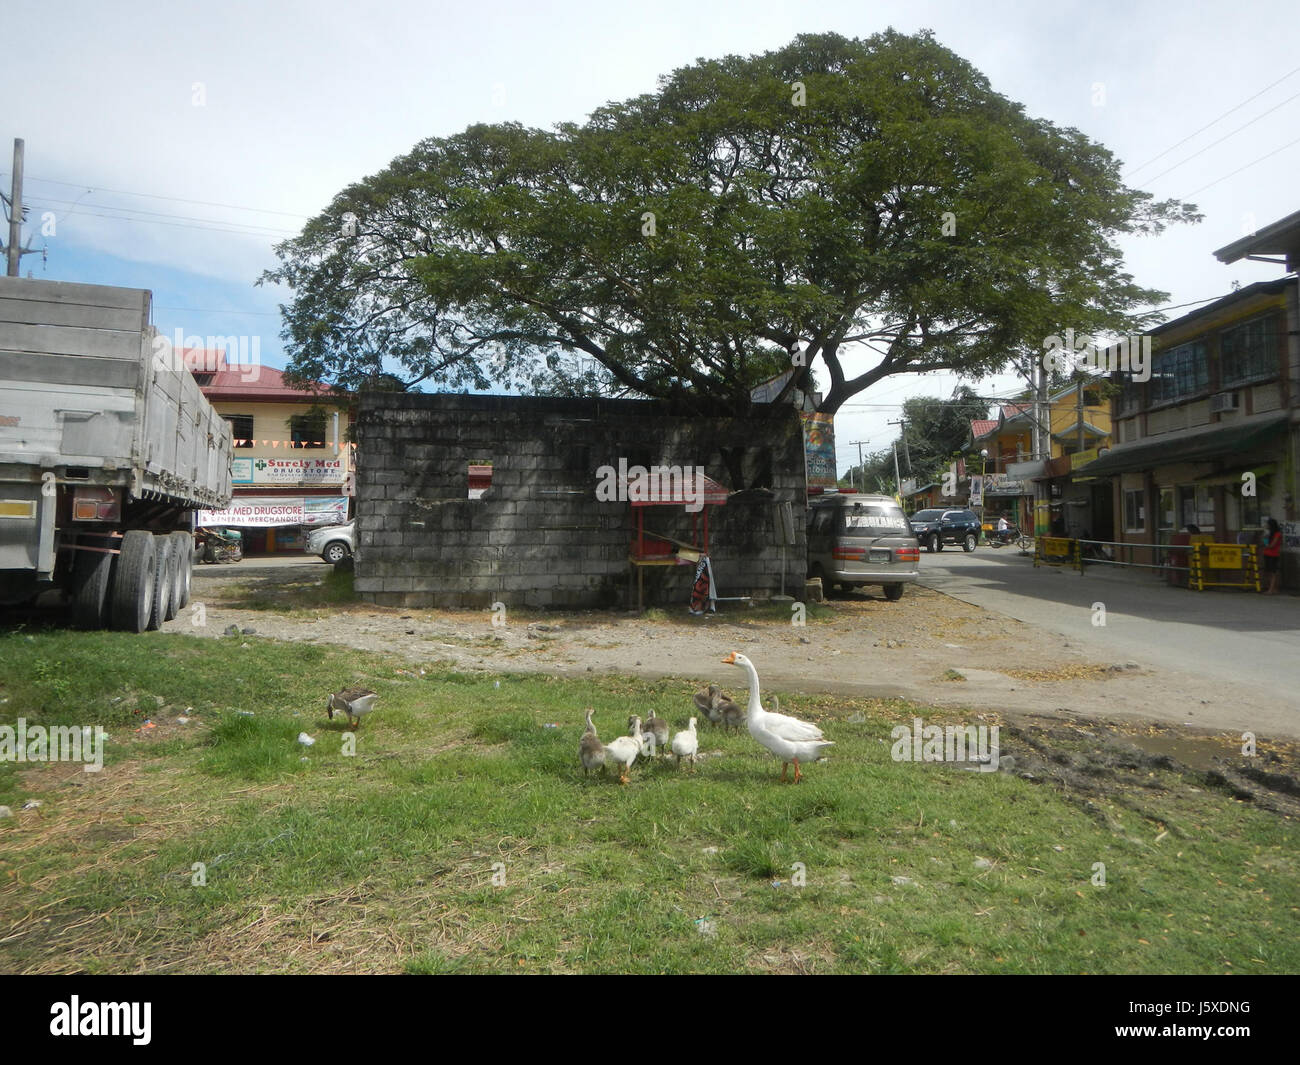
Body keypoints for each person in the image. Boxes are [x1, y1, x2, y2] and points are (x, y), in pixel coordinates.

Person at [1262, 518, 1283, 595]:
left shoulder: (1278, 534)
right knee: (1268, 571)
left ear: (1271, 525)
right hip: (1267, 554)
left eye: (1267, 524)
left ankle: (1271, 590)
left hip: (1273, 555)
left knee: (1273, 572)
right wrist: (1264, 537)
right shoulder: (1268, 533)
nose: (1266, 525)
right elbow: (1264, 541)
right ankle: (1273, 588)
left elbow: (1273, 545)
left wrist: (1266, 546)